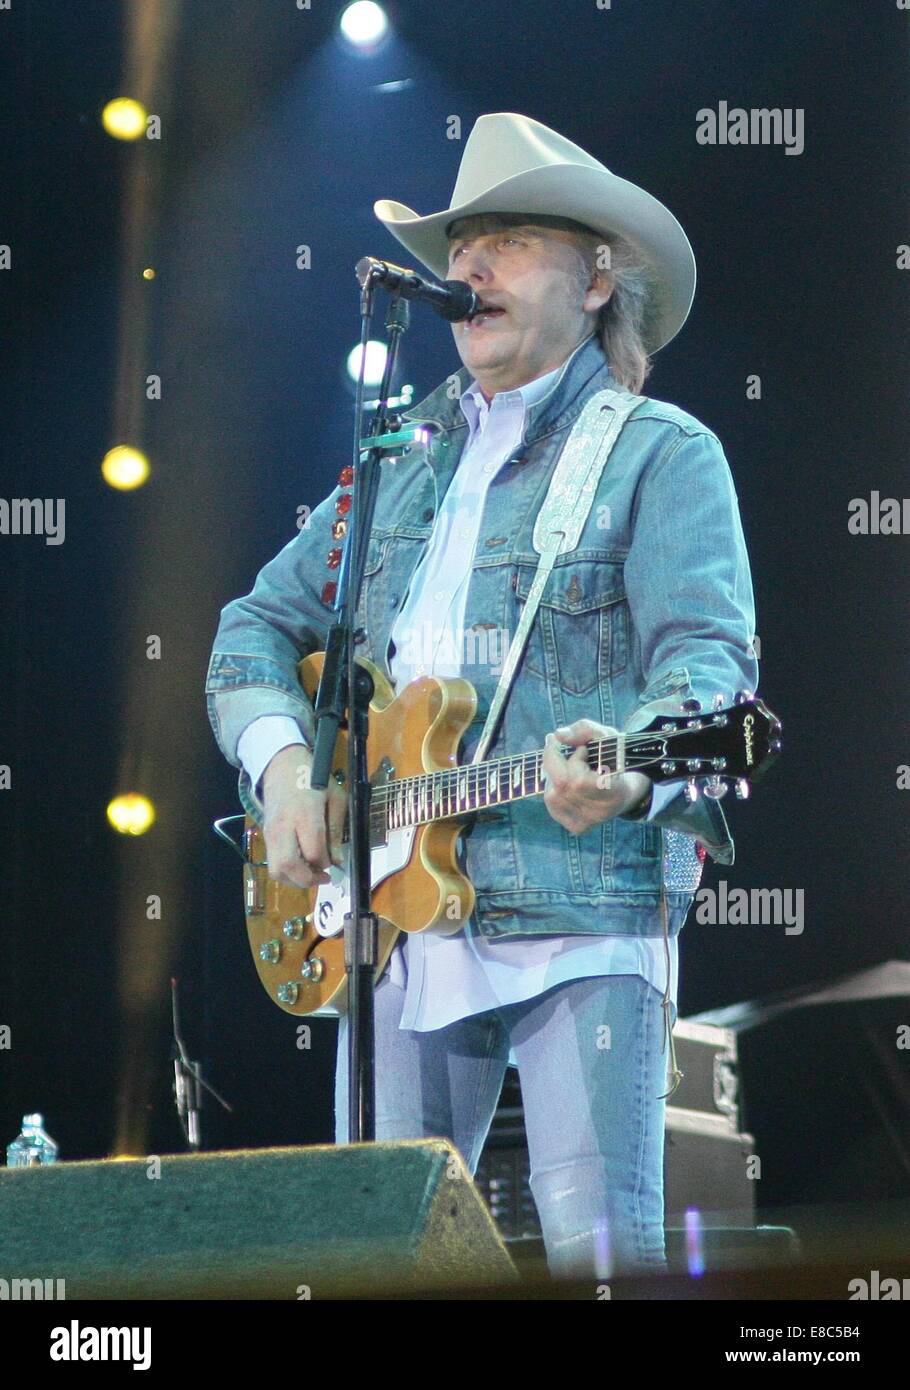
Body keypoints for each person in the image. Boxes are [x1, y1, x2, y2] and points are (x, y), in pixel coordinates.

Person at [205, 112, 758, 1280]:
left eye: (508, 239)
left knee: (599, 1263)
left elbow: (708, 671)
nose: (468, 269)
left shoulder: (660, 453)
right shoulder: (396, 463)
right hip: (393, 926)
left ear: (598, 276)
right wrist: (287, 770)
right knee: (380, 1265)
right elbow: (251, 628)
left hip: (579, 910)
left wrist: (634, 754)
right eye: (462, 245)